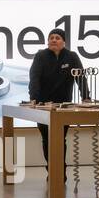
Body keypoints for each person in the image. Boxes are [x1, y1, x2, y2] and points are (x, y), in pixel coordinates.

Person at [27, 29, 89, 169]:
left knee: (60, 139)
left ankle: (60, 169)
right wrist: (34, 100)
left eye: (57, 37)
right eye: (51, 38)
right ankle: (51, 168)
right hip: (42, 106)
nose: (54, 40)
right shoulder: (40, 56)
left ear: (64, 42)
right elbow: (34, 79)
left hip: (64, 107)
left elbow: (81, 78)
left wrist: (86, 97)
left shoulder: (72, 57)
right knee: (46, 139)